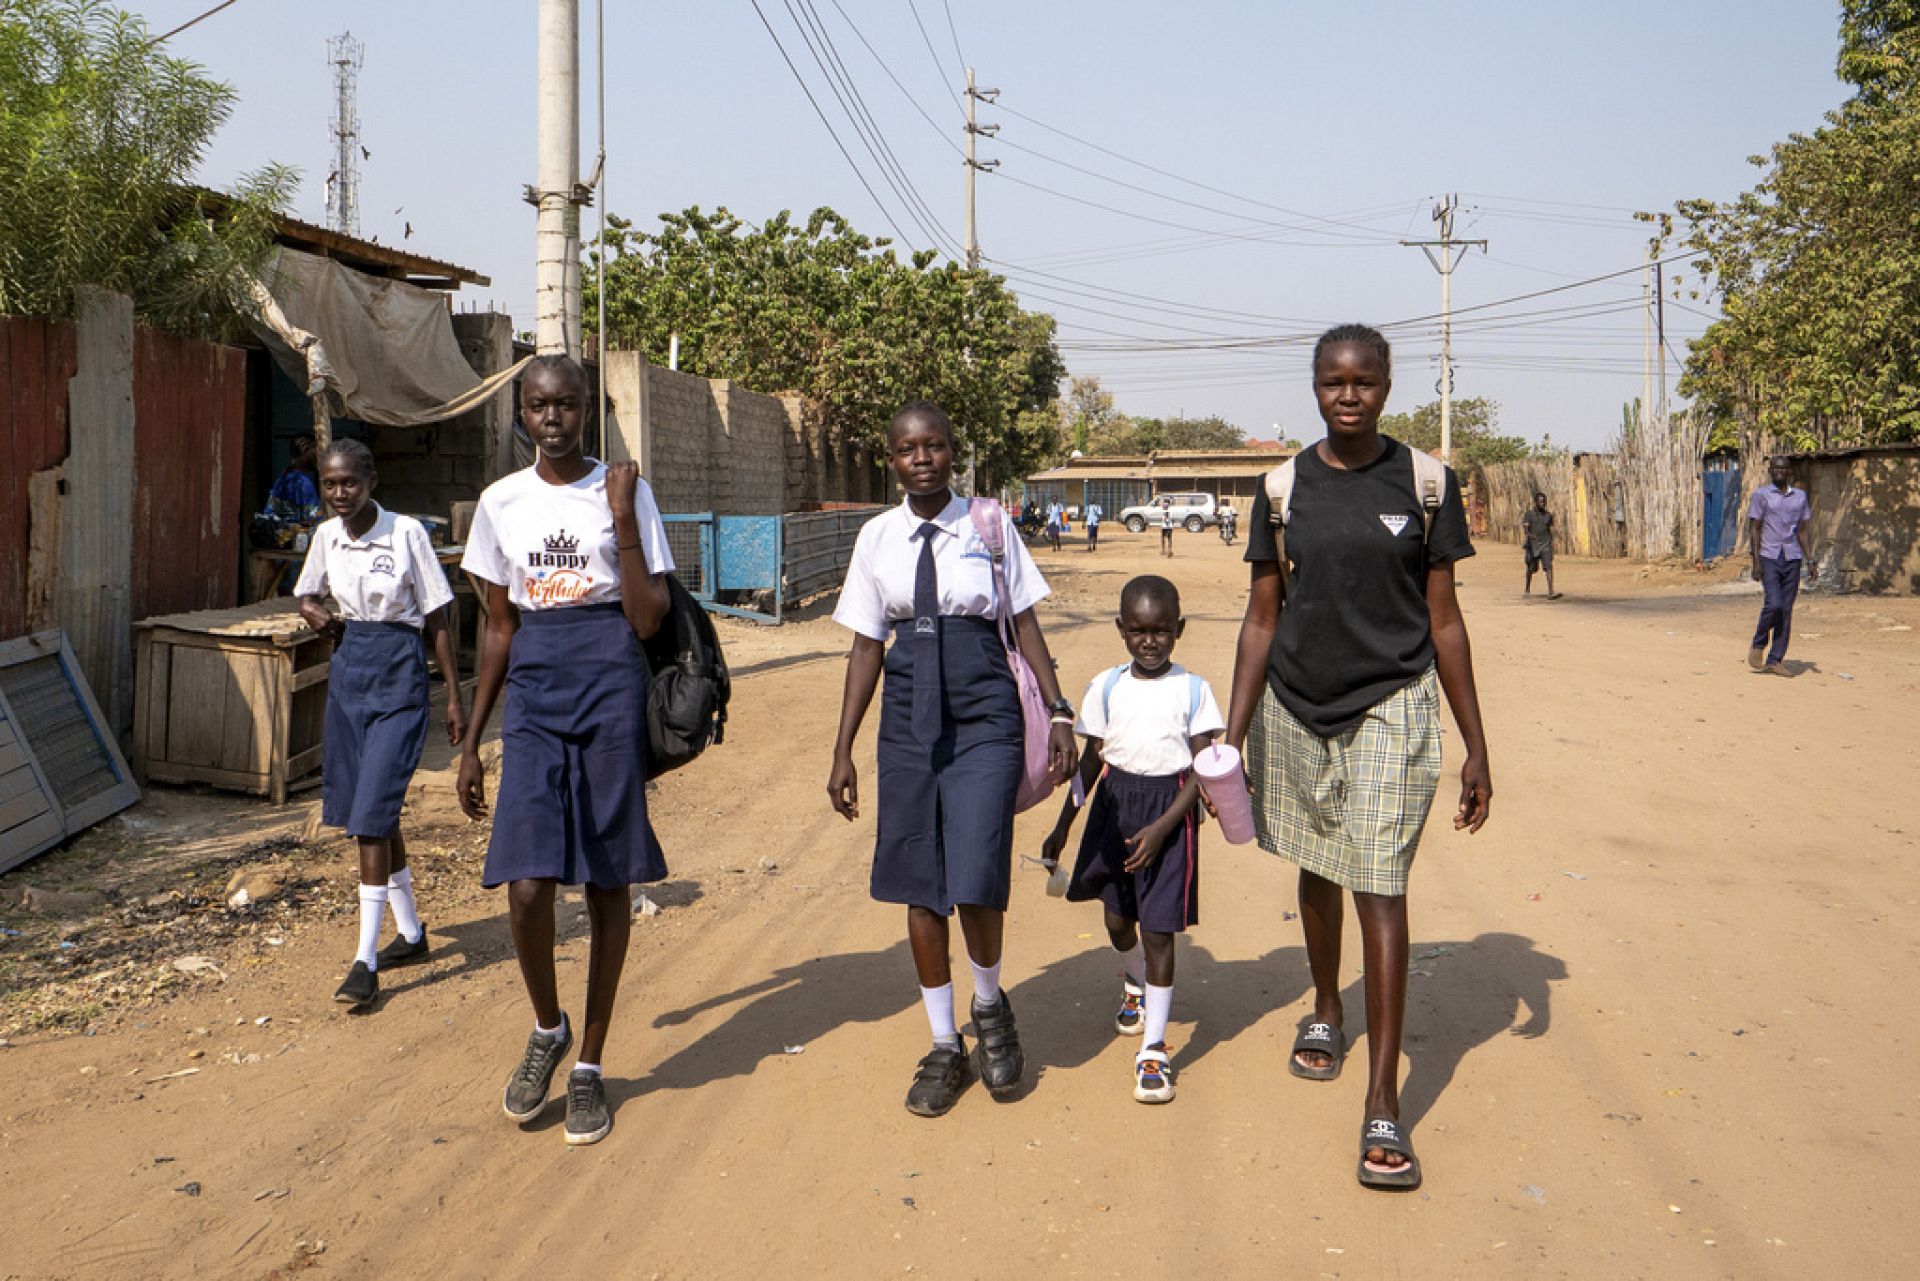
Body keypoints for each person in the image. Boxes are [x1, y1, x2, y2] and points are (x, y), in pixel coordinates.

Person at [1225, 323, 1491, 1191]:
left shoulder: (1425, 484)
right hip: (1296, 703)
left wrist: (1476, 746)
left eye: (1364, 381)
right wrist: (1231, 736)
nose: (1349, 395)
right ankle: (1326, 1005)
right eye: (1333, 381)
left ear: (1386, 385)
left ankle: (1383, 1098)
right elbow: (1261, 616)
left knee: (1379, 877)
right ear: (1315, 387)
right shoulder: (1280, 488)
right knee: (1316, 864)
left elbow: (1444, 618)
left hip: (1392, 700)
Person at [828, 401, 1078, 1118]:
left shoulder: (988, 525)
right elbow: (866, 646)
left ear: (951, 450)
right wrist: (843, 749)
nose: (923, 459)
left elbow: (1023, 620)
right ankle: (945, 1044)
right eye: (908, 449)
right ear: (892, 461)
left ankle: (990, 1005)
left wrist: (1059, 709)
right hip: (909, 718)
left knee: (976, 871)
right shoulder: (877, 537)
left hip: (985, 713)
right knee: (920, 882)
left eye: (934, 445)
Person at [455, 355, 675, 1147]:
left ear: (589, 410)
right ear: (522, 411)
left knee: (608, 878)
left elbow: (647, 618)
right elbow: (499, 627)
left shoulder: (627, 490)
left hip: (609, 677)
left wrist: (621, 516)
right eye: (539, 405)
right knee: (526, 885)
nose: (553, 418)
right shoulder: (500, 502)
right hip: (535, 690)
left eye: (568, 404)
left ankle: (589, 1063)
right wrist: (473, 741)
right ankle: (548, 1026)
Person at [295, 440, 466, 1011]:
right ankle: (411, 934)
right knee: (371, 809)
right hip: (349, 674)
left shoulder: (406, 533)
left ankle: (364, 961)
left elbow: (438, 617)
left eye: (349, 482)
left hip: (399, 673)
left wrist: (454, 697)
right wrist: (313, 610)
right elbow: (306, 593)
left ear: (372, 481)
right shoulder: (326, 536)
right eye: (330, 483)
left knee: (371, 817)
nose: (339, 493)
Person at [1040, 575, 1224, 1104]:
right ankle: (1135, 980)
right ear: (1121, 629)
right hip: (1114, 809)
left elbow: (1202, 770)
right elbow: (1091, 762)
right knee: (1118, 920)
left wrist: (1164, 827)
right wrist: (1062, 826)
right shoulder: (1106, 687)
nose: (1150, 641)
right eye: (1139, 630)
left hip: (1171, 814)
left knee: (1160, 930)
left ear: (1178, 629)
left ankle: (1154, 1049)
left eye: (1161, 631)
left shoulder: (1194, 690)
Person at [1747, 456, 1816, 672]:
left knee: (1785, 609)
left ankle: (1775, 659)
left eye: (1784, 468)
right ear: (1770, 471)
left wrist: (1810, 559)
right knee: (1774, 604)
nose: (1780, 471)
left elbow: (1802, 530)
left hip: (1792, 557)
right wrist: (1755, 562)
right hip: (1769, 556)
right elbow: (1755, 529)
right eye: (1776, 468)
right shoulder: (1761, 495)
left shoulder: (1800, 497)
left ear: (1789, 471)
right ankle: (1759, 642)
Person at [268, 433, 322, 519]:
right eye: (315, 452)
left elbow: (270, 511)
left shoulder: (282, 480)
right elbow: (314, 519)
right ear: (304, 452)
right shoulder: (304, 484)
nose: (317, 456)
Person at [1521, 492, 1560, 598]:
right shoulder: (1529, 514)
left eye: (1544, 502)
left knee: (1548, 566)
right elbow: (1525, 528)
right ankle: (1527, 589)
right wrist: (1530, 535)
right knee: (1531, 568)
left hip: (1545, 544)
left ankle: (1551, 591)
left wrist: (1551, 543)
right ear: (1536, 502)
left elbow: (1549, 529)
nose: (1543, 504)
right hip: (1533, 545)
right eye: (1541, 502)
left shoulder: (1548, 516)